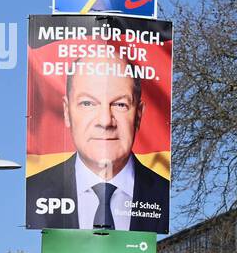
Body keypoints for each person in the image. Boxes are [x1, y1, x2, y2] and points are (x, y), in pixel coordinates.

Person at [25, 69, 168, 231]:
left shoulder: (165, 195)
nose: (106, 121)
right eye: (87, 103)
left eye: (120, 104)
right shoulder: (33, 193)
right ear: (67, 111)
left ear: (139, 114)